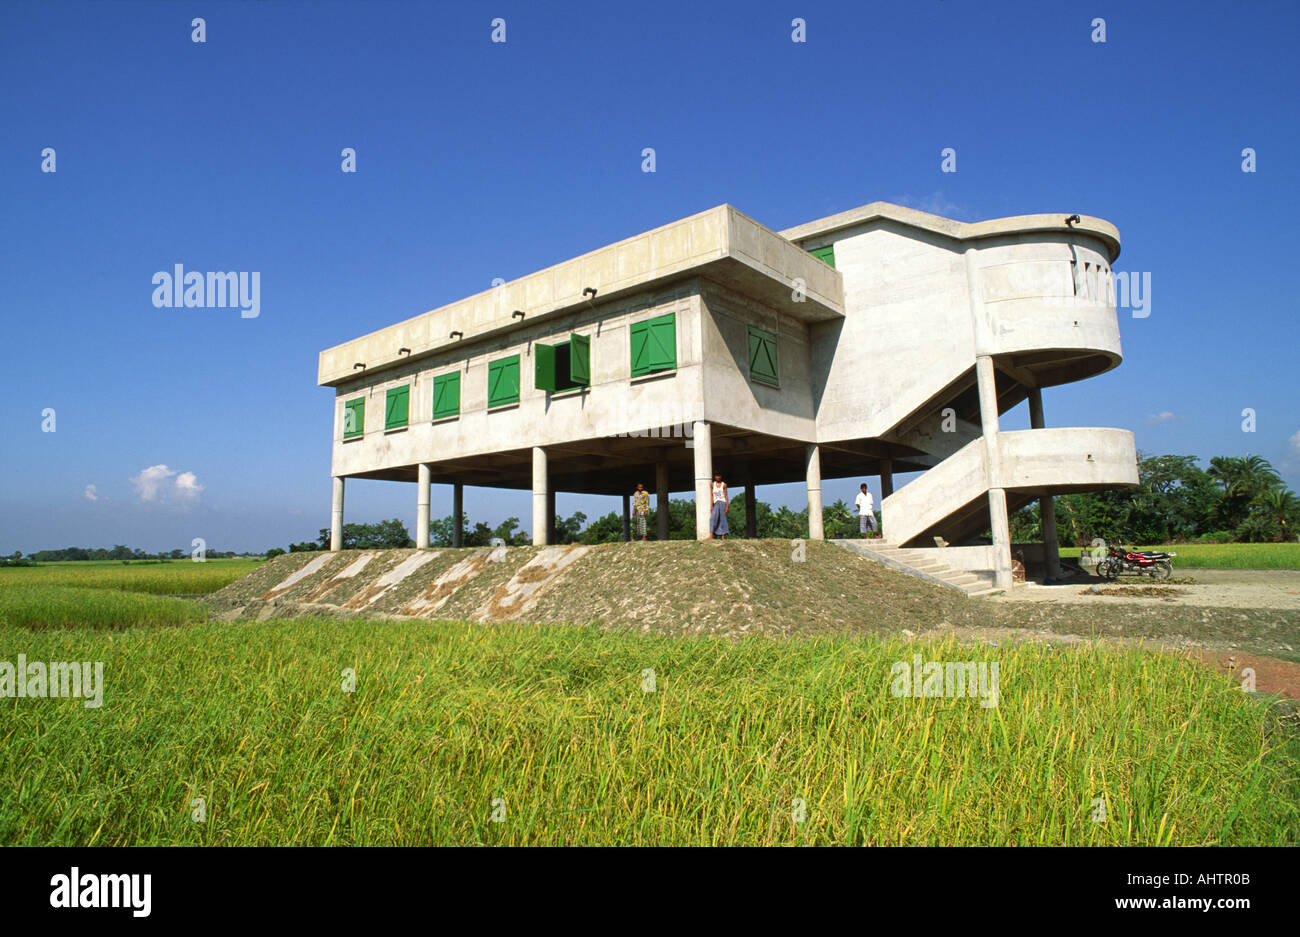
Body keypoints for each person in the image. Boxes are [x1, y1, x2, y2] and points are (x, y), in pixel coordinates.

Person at [709, 472, 729, 540]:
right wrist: (711, 505)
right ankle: (711, 535)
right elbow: (712, 495)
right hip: (716, 503)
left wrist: (727, 506)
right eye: (716, 476)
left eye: (719, 476)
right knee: (712, 518)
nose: (718, 477)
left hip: (723, 503)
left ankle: (723, 536)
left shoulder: (724, 484)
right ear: (715, 477)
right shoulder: (712, 484)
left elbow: (726, 495)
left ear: (721, 476)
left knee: (723, 519)